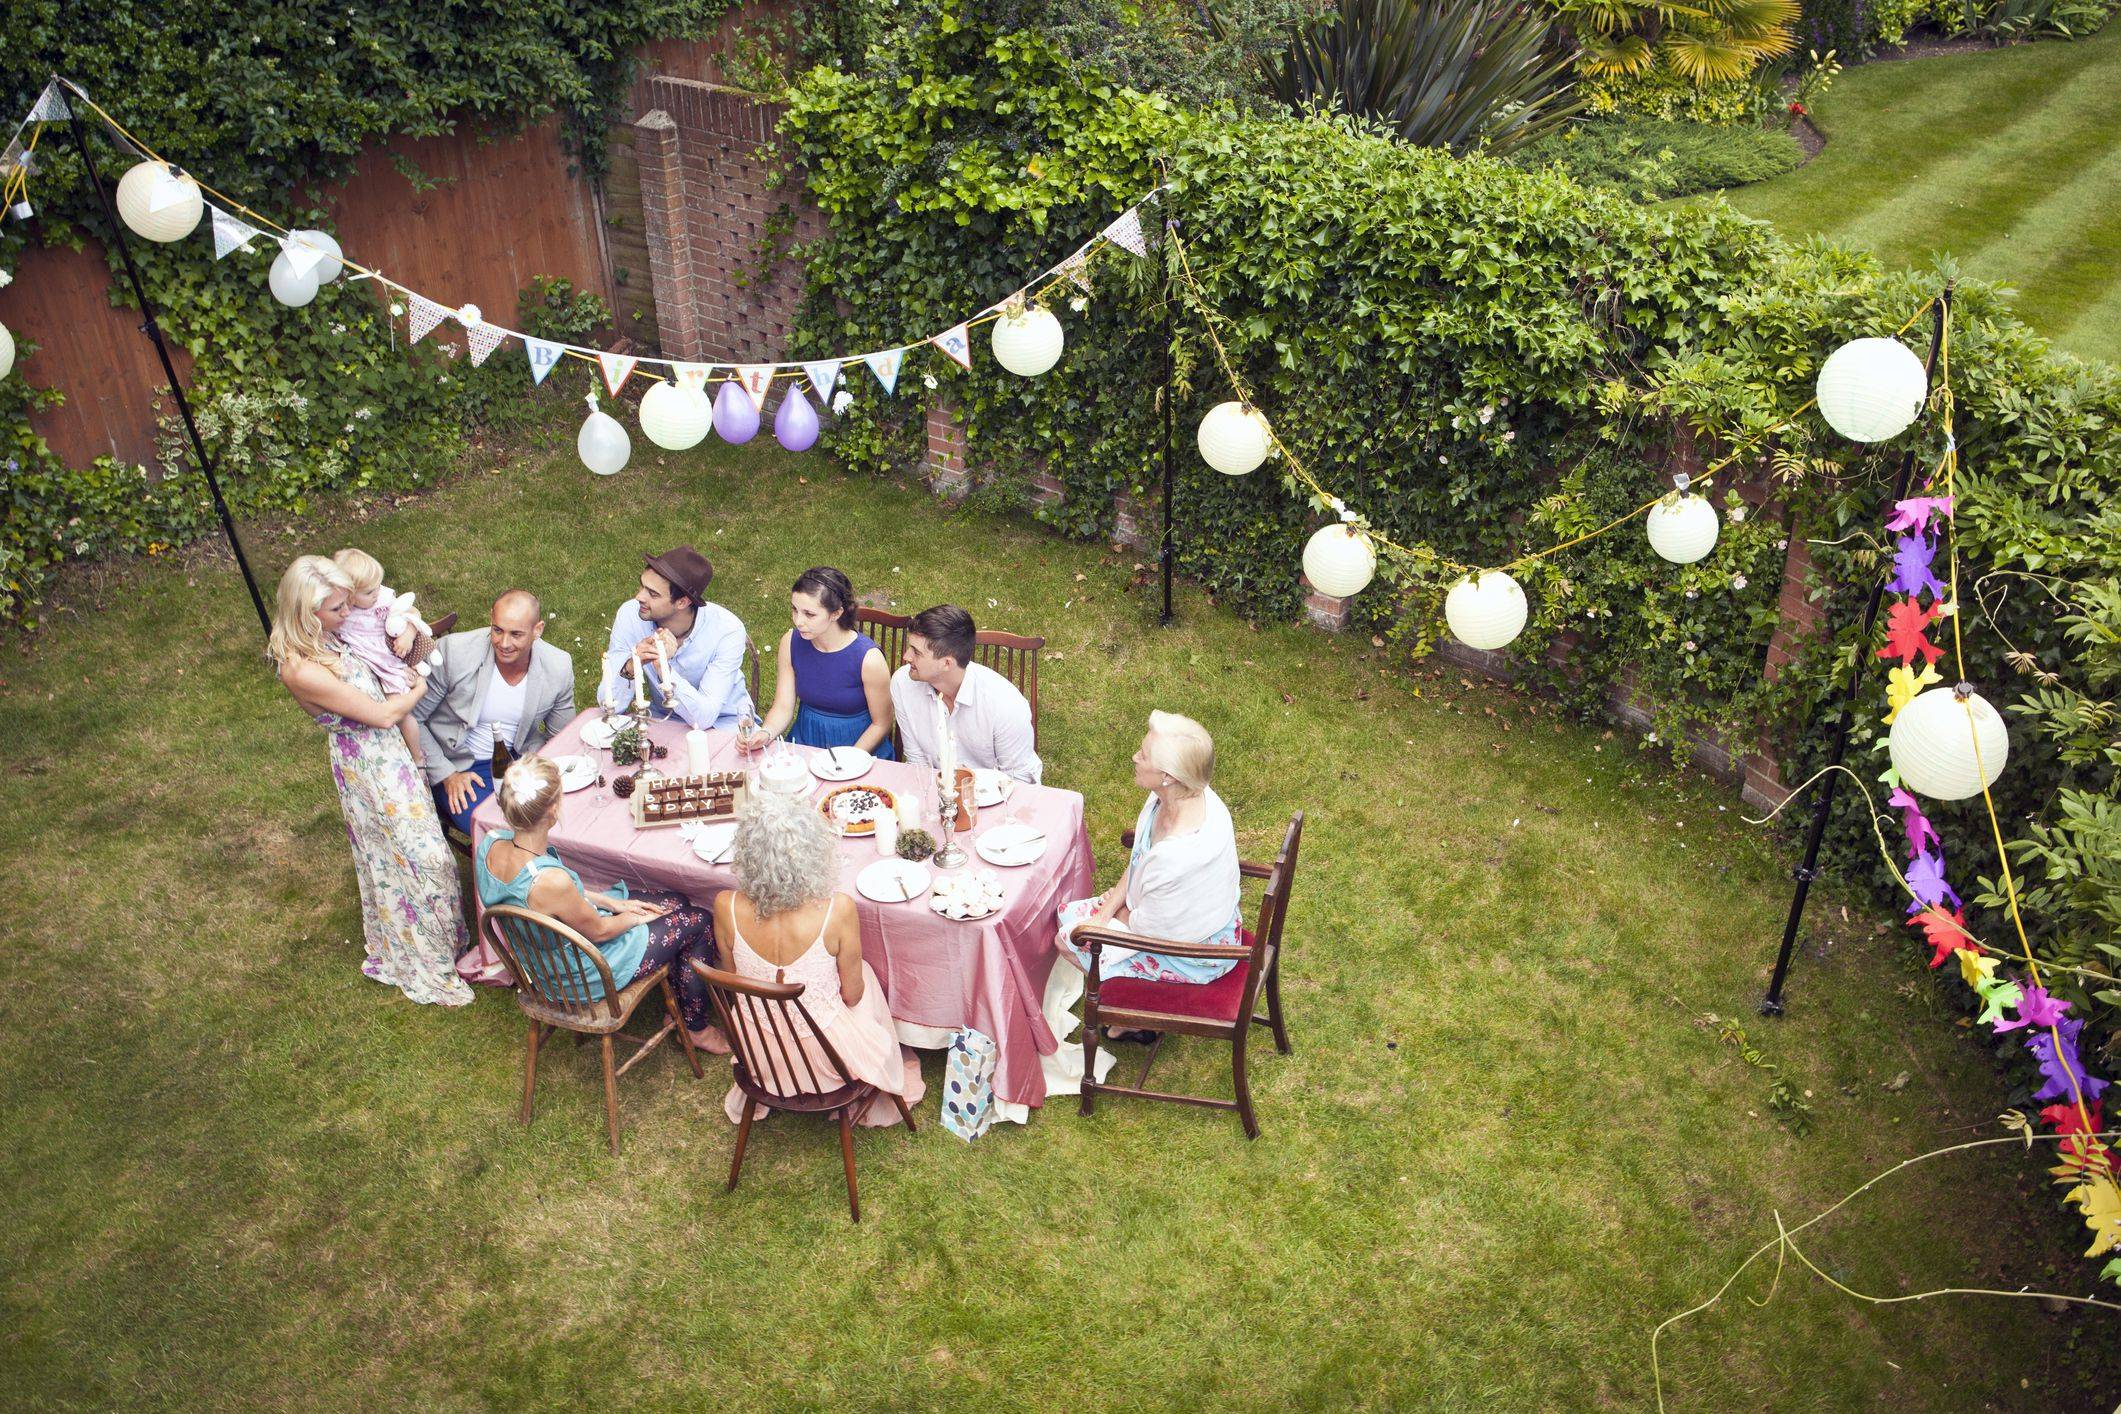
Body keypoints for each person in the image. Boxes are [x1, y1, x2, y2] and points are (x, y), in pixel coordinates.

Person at [269, 555, 472, 1007]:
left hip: (395, 754)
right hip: (368, 765)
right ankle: (422, 958)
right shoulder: (299, 667)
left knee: (416, 853)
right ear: (307, 613)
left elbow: (385, 610)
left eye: (346, 604)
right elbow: (381, 714)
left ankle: (445, 942)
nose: (348, 615)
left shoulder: (334, 633)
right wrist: (421, 681)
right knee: (419, 855)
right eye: (337, 608)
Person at [476, 757, 727, 1054]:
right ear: (553, 809)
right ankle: (696, 1027)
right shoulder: (549, 881)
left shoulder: (491, 843)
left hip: (542, 955)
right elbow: (601, 932)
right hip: (582, 972)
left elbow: (560, 899)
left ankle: (679, 998)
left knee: (676, 902)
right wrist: (634, 918)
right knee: (697, 921)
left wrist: (611, 901)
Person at [712, 790, 924, 1126]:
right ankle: (884, 1053)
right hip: (826, 1062)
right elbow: (852, 995)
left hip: (759, 1053)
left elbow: (733, 979)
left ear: (749, 853)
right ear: (813, 853)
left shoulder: (726, 905)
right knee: (863, 974)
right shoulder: (837, 910)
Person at [1054, 711, 1242, 1040]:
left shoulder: (1180, 856)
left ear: (1168, 775)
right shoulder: (1173, 796)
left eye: (1143, 755)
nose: (1134, 757)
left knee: (1068, 940)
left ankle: (1135, 1016)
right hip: (1164, 919)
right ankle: (1132, 1019)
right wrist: (1108, 911)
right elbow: (1140, 859)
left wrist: (1110, 915)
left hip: (1195, 954)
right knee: (1073, 918)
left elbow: (1150, 933)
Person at [414, 589, 576, 834]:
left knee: (563, 817)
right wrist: (447, 775)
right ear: (491, 618)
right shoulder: (454, 651)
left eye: (516, 634)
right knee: (500, 832)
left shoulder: (558, 665)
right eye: (497, 630)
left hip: (519, 760)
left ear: (538, 630)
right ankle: (511, 870)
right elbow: (414, 718)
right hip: (461, 765)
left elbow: (564, 737)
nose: (504, 643)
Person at [596, 545, 754, 731]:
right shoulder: (631, 615)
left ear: (682, 602)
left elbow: (704, 718)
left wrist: (664, 670)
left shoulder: (727, 630)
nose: (639, 596)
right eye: (642, 586)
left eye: (653, 594)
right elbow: (609, 707)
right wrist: (631, 666)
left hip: (726, 723)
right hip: (664, 721)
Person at [743, 567, 894, 759]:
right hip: (807, 742)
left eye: (809, 614)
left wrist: (851, 758)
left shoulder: (869, 659)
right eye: (795, 609)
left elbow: (881, 723)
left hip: (859, 748)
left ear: (836, 613)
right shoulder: (790, 642)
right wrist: (766, 733)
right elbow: (783, 705)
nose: (798, 621)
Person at [887, 603, 1040, 784]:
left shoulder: (1005, 705)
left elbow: (1019, 780)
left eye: (917, 652)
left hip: (995, 799)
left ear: (947, 663)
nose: (906, 657)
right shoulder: (902, 684)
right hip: (936, 793)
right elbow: (918, 762)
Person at [328, 548, 431, 767]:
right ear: (348, 593)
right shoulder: (344, 613)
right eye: (368, 592)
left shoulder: (381, 598)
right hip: (370, 667)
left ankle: (417, 757)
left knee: (402, 715)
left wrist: (409, 635)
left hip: (390, 662)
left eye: (378, 586)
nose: (376, 594)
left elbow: (412, 612)